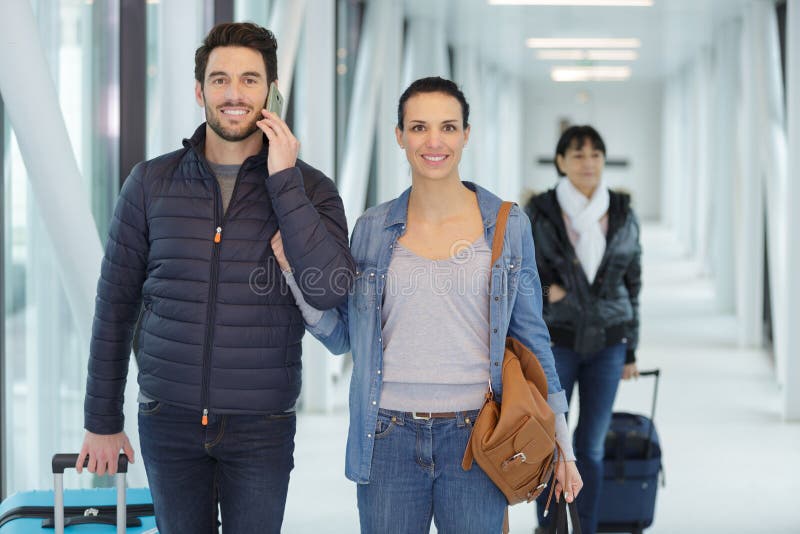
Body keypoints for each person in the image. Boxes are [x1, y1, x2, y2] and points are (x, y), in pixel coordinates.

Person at [76, 22, 354, 534]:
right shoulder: (150, 183)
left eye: (250, 80)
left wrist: (284, 181)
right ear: (199, 91)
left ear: (271, 93)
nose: (233, 94)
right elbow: (114, 307)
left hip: (262, 426)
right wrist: (101, 421)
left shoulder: (311, 189)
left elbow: (330, 289)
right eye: (220, 79)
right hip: (168, 420)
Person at [271, 76, 582, 533]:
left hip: (478, 438)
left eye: (448, 127)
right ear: (399, 136)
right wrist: (290, 271)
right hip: (387, 438)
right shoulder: (372, 227)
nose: (434, 142)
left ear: (466, 135)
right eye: (419, 127)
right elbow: (343, 337)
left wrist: (564, 448)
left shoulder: (507, 224)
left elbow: (533, 339)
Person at [526, 125, 642, 534]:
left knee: (591, 447)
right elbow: (522, 276)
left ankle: (585, 528)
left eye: (595, 154)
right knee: (551, 443)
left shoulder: (622, 211)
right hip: (555, 341)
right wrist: (550, 292)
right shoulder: (539, 211)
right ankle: (550, 528)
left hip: (609, 343)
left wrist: (630, 348)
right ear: (561, 161)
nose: (587, 163)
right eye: (577, 154)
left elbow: (632, 281)